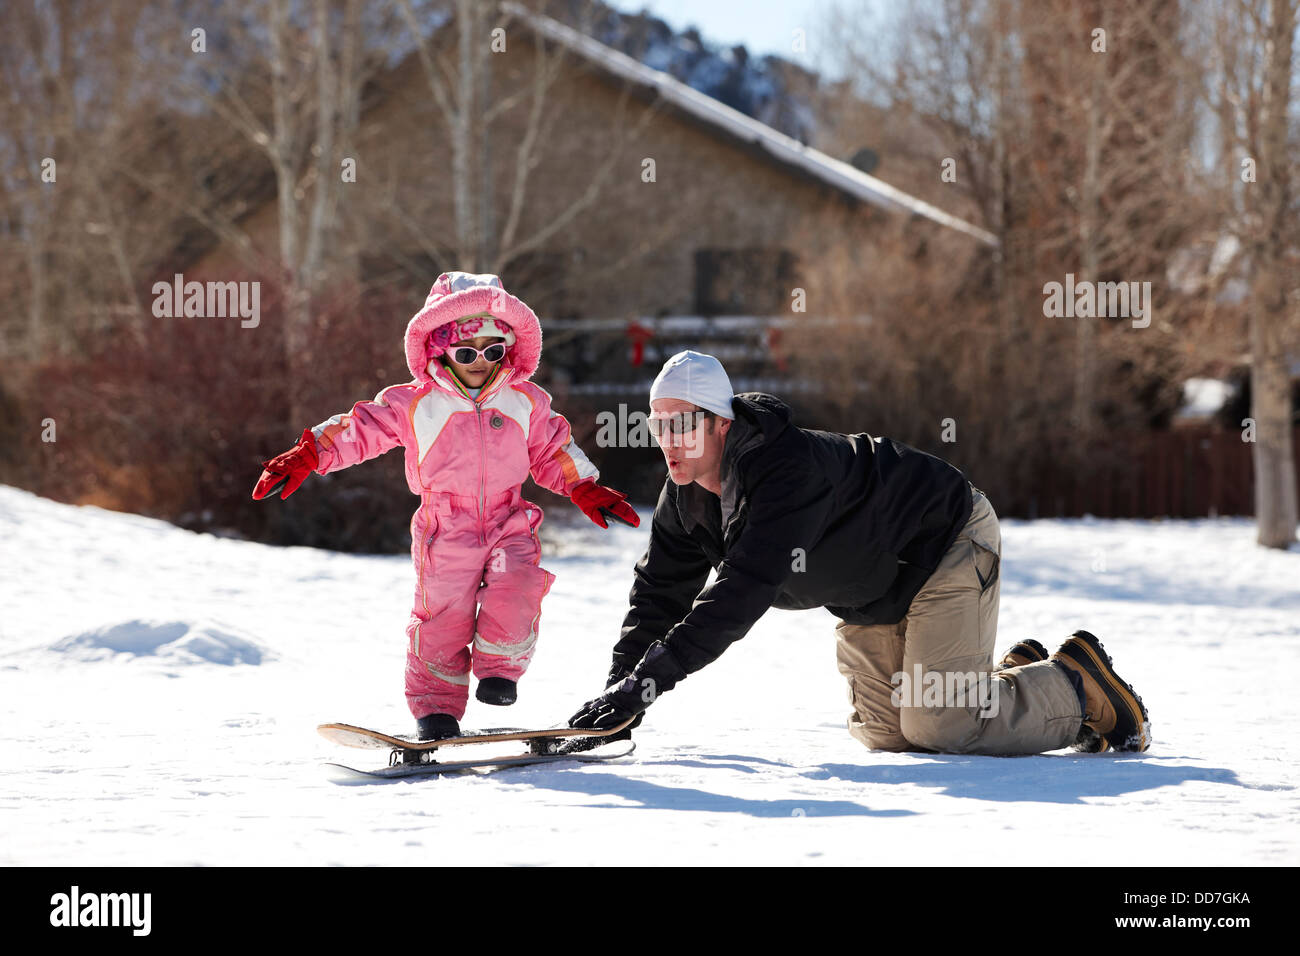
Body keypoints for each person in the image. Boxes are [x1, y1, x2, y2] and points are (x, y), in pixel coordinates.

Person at [568, 350, 1150, 756]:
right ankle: (1007, 685)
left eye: (684, 425)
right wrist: (624, 689)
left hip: (943, 540)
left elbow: (742, 590)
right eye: (658, 425)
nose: (668, 441)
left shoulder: (784, 472)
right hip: (872, 592)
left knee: (940, 727)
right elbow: (659, 595)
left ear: (721, 424)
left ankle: (1079, 684)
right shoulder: (683, 497)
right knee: (887, 734)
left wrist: (650, 682)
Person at [253, 272, 638, 740]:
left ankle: (499, 671)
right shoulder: (415, 404)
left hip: (508, 519)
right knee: (441, 619)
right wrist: (311, 452)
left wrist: (585, 488)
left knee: (517, 587)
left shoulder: (526, 402)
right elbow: (360, 427)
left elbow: (553, 450)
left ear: (509, 349)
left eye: (494, 351)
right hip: (444, 526)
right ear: (439, 349)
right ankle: (436, 711)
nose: (481, 362)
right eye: (466, 351)